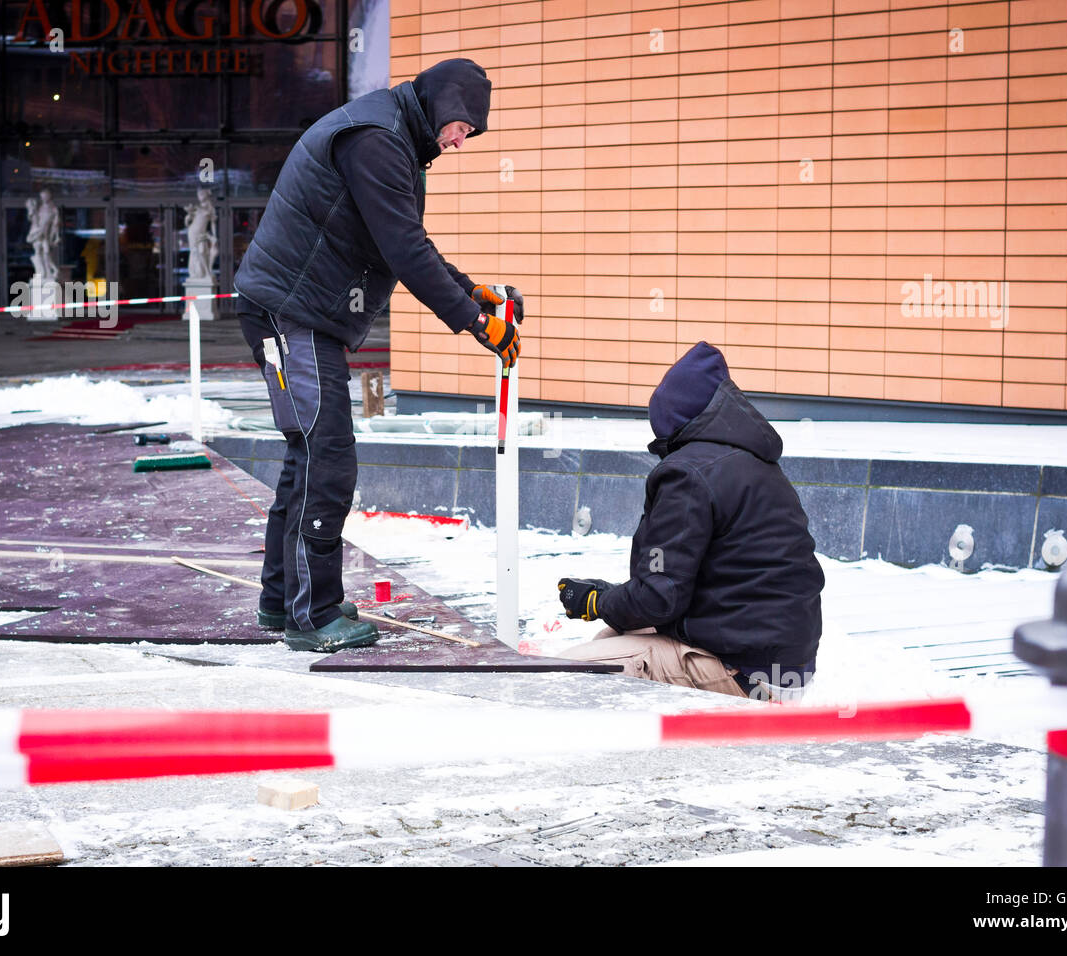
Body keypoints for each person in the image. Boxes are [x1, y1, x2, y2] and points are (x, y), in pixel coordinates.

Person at [233, 57, 524, 653]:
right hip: (293, 314)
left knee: (310, 456)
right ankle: (311, 615)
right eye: (463, 129)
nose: (460, 143)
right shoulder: (377, 140)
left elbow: (405, 242)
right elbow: (405, 250)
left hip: (298, 312)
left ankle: (284, 599)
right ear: (445, 106)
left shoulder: (393, 136)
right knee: (328, 456)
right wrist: (475, 323)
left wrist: (471, 290)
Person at [556, 342, 824, 700]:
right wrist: (611, 599)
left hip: (743, 670)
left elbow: (658, 597)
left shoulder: (687, 473)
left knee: (561, 673)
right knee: (611, 639)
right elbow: (678, 583)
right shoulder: (755, 463)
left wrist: (596, 601)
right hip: (781, 665)